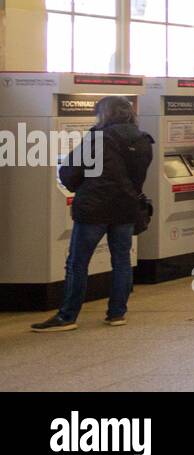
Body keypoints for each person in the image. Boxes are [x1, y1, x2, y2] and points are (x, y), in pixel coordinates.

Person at [32, 96, 154, 332]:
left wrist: (79, 186)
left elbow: (70, 171)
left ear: (104, 114)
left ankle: (67, 316)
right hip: (126, 207)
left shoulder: (99, 138)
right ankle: (117, 313)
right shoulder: (143, 140)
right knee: (121, 260)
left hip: (94, 208)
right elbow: (138, 176)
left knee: (78, 262)